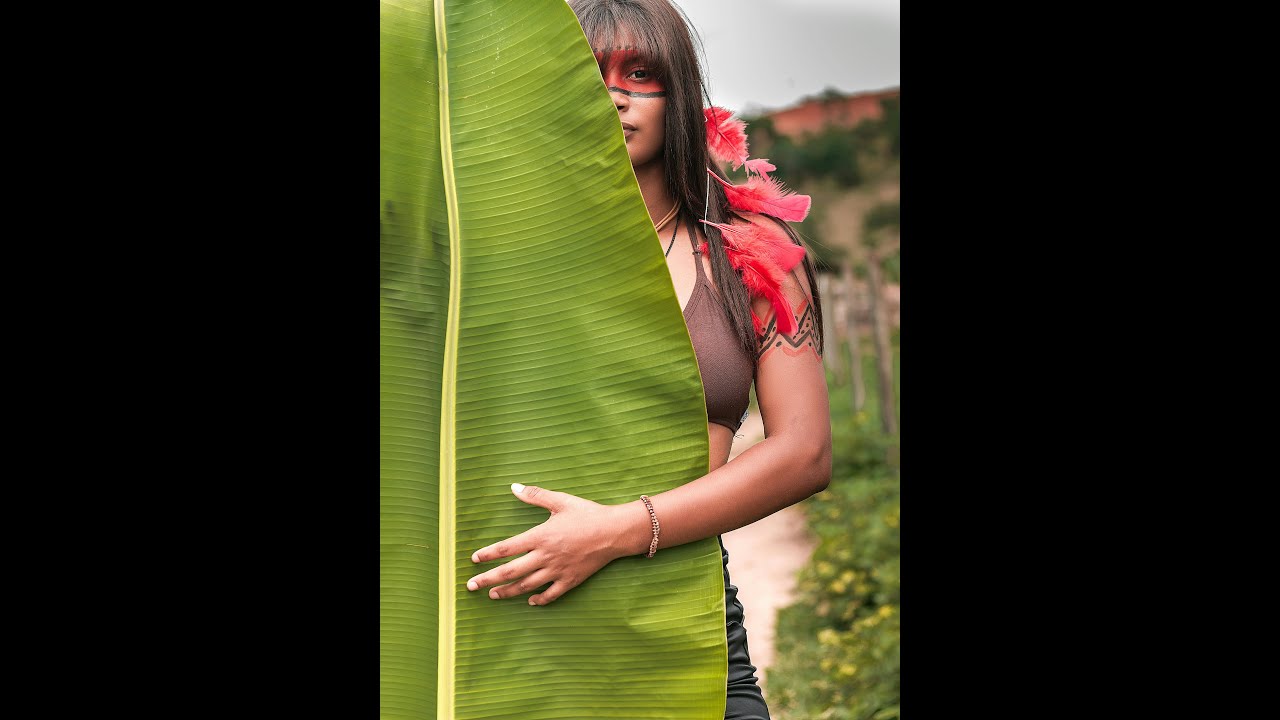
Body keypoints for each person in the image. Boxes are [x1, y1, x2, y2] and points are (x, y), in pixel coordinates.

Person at [464, 1, 832, 717]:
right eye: (590, 74)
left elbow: (804, 451)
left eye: (643, 74)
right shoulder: (491, 255)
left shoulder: (748, 258)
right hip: (513, 619)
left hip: (683, 616)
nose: (617, 95)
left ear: (681, 95)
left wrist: (617, 530)